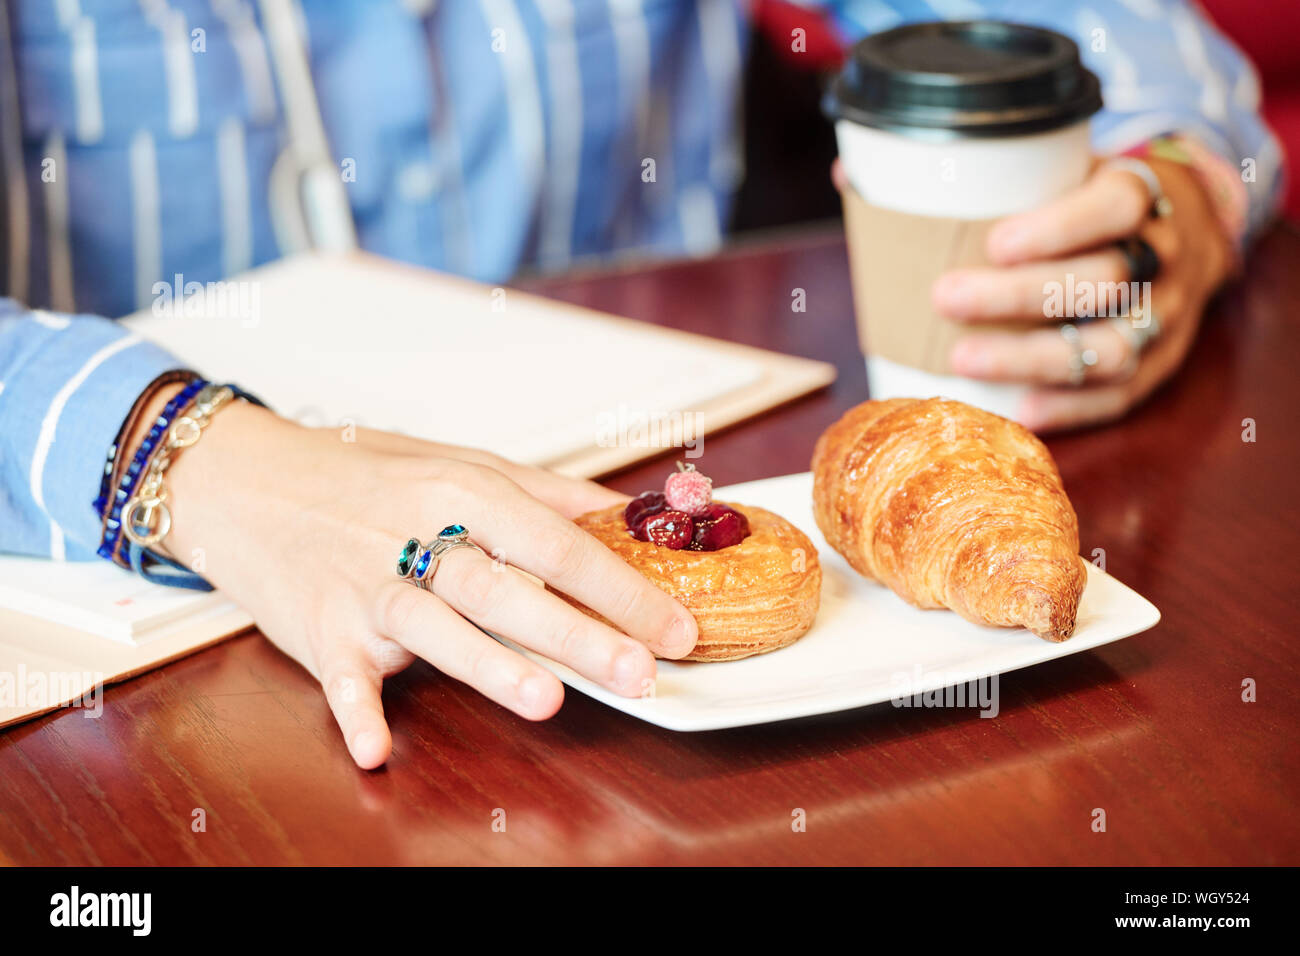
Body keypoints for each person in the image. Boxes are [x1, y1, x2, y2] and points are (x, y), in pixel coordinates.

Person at [0, 0, 1283, 767]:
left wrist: (1178, 184)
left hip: (679, 484)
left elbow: (1127, 47)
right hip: (180, 632)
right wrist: (184, 455)